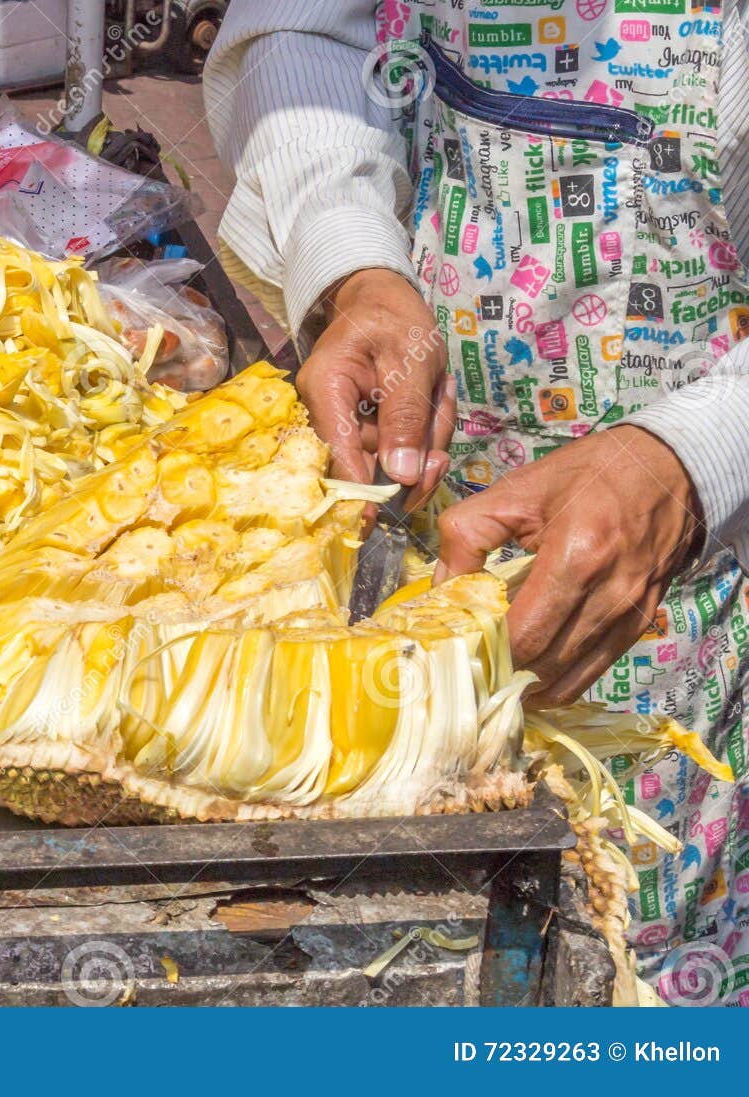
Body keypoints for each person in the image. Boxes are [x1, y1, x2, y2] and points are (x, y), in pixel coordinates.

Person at [206, 0, 748, 1001]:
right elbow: (307, 33)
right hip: (413, 545)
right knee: (405, 959)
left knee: (619, 971)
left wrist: (690, 462)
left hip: (694, 608)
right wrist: (356, 266)